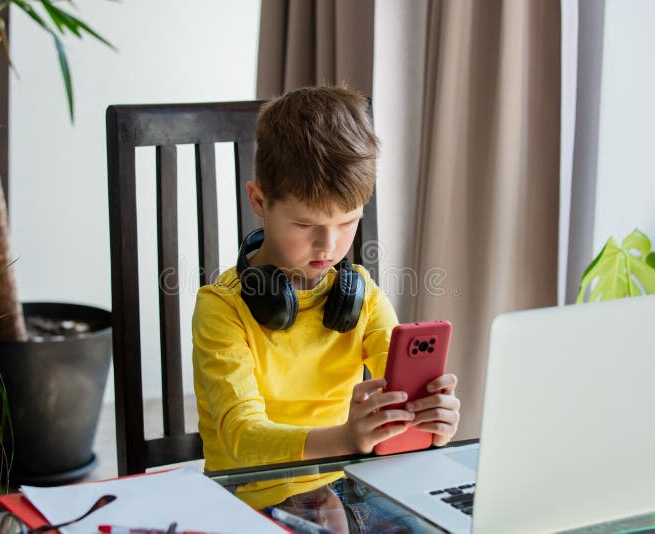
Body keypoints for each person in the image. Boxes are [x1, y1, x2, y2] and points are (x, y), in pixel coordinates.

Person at [192, 85, 461, 533]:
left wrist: (435, 423)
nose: (330, 245)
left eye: (347, 221)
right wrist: (344, 439)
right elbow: (240, 438)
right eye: (305, 224)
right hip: (256, 498)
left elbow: (404, 405)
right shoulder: (222, 308)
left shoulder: (364, 297)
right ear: (259, 201)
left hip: (355, 487)